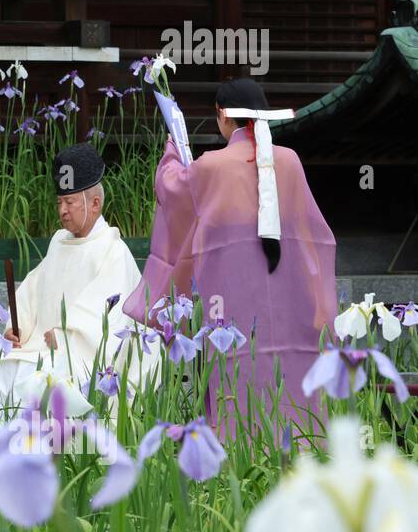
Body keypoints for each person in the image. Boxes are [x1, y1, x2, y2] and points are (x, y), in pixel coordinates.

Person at [124, 77, 337, 438]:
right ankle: (302, 445)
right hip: (291, 293)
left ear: (222, 115)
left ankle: (237, 453)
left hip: (231, 300)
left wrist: (172, 152)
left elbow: (172, 190)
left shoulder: (210, 166)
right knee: (293, 373)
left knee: (238, 370)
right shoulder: (290, 161)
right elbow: (312, 234)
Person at [0, 144, 146, 417]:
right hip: (41, 347)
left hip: (79, 355)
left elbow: (110, 316)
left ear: (96, 203)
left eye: (70, 202)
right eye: (59, 203)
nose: (63, 210)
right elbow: (34, 289)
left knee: (39, 378)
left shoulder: (112, 251)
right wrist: (17, 327)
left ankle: (57, 456)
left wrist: (67, 334)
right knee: (3, 368)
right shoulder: (59, 242)